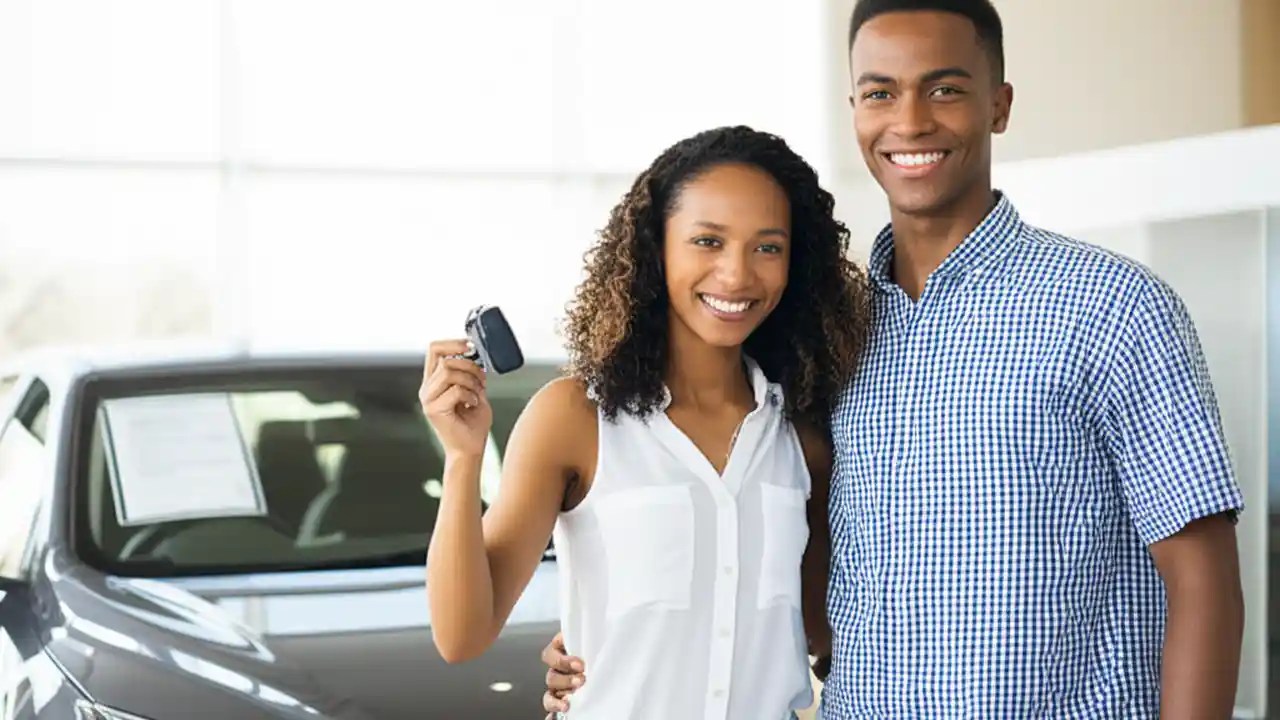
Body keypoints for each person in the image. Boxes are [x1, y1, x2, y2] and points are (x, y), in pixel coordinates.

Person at [541, 1, 1247, 717]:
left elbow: (1205, 581)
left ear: (999, 105)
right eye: (880, 93)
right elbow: (775, 561)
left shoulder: (1115, 307)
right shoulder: (827, 331)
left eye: (945, 89)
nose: (910, 122)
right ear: (855, 111)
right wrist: (617, 642)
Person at [422, 125, 871, 719]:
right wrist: (463, 458)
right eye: (708, 241)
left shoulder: (803, 433)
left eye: (767, 247)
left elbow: (826, 634)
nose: (737, 275)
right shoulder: (574, 419)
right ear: (656, 249)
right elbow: (461, 636)